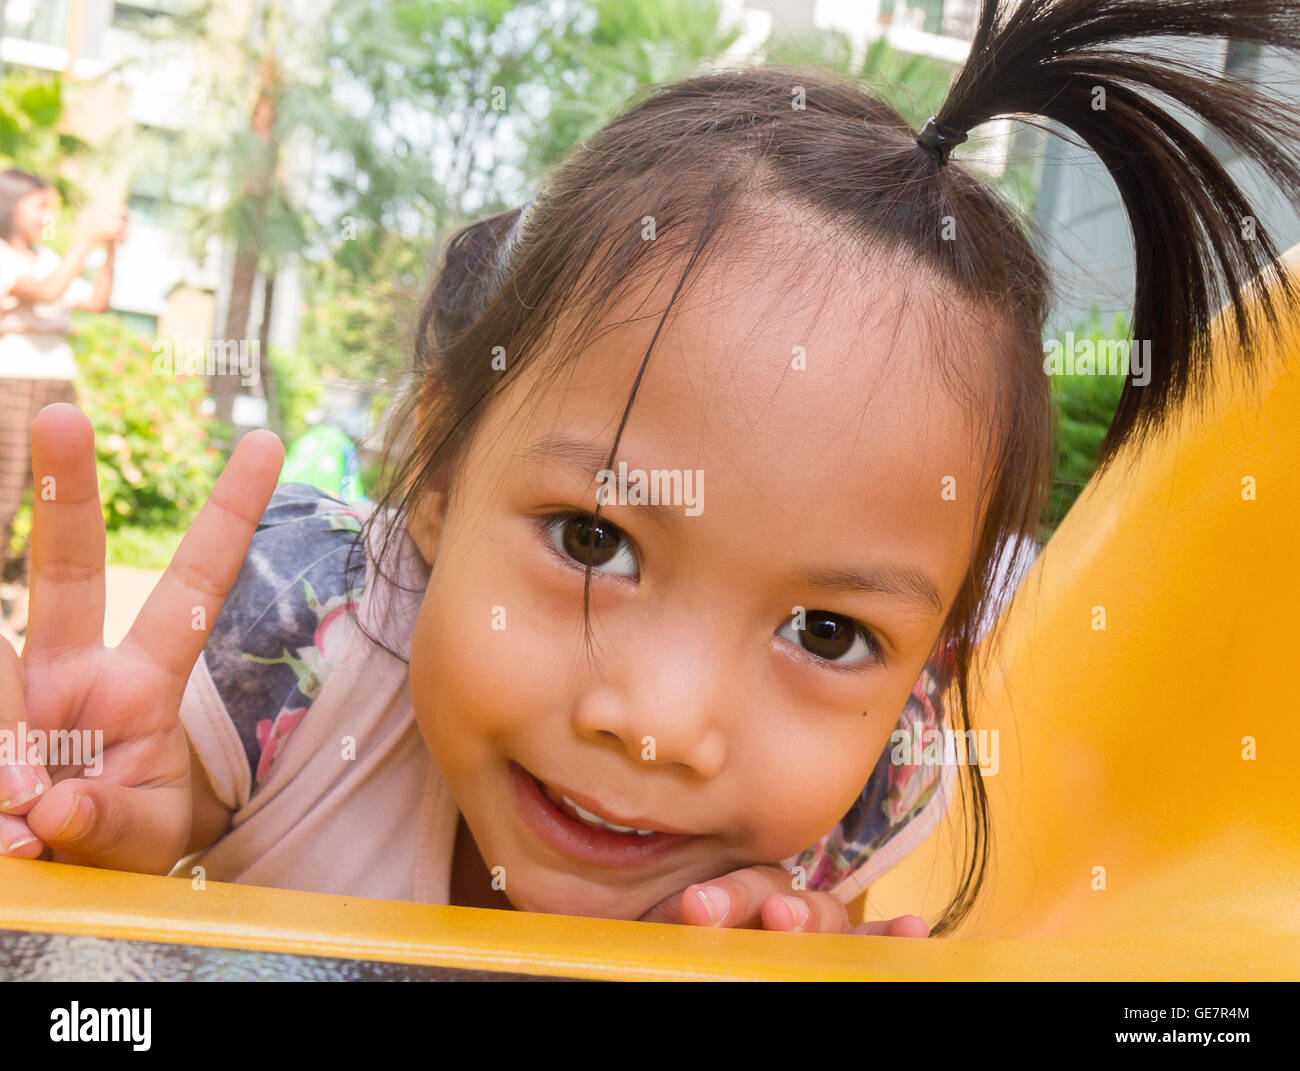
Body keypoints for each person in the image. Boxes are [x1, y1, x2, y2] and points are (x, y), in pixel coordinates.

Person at [3, 0, 1300, 939]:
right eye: (590, 540)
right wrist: (109, 814)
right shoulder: (296, 646)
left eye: (828, 628)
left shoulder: (841, 841)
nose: (660, 719)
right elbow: (129, 820)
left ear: (932, 667)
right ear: (443, 474)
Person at [0, 169, 126, 648]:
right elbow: (50, 291)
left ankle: (28, 612)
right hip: (10, 386)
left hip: (58, 385)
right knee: (6, 497)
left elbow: (96, 300)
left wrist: (109, 248)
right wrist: (86, 239)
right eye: (39, 207)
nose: (48, 217)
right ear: (10, 206)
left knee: (53, 499)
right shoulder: (6, 259)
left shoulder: (49, 258)